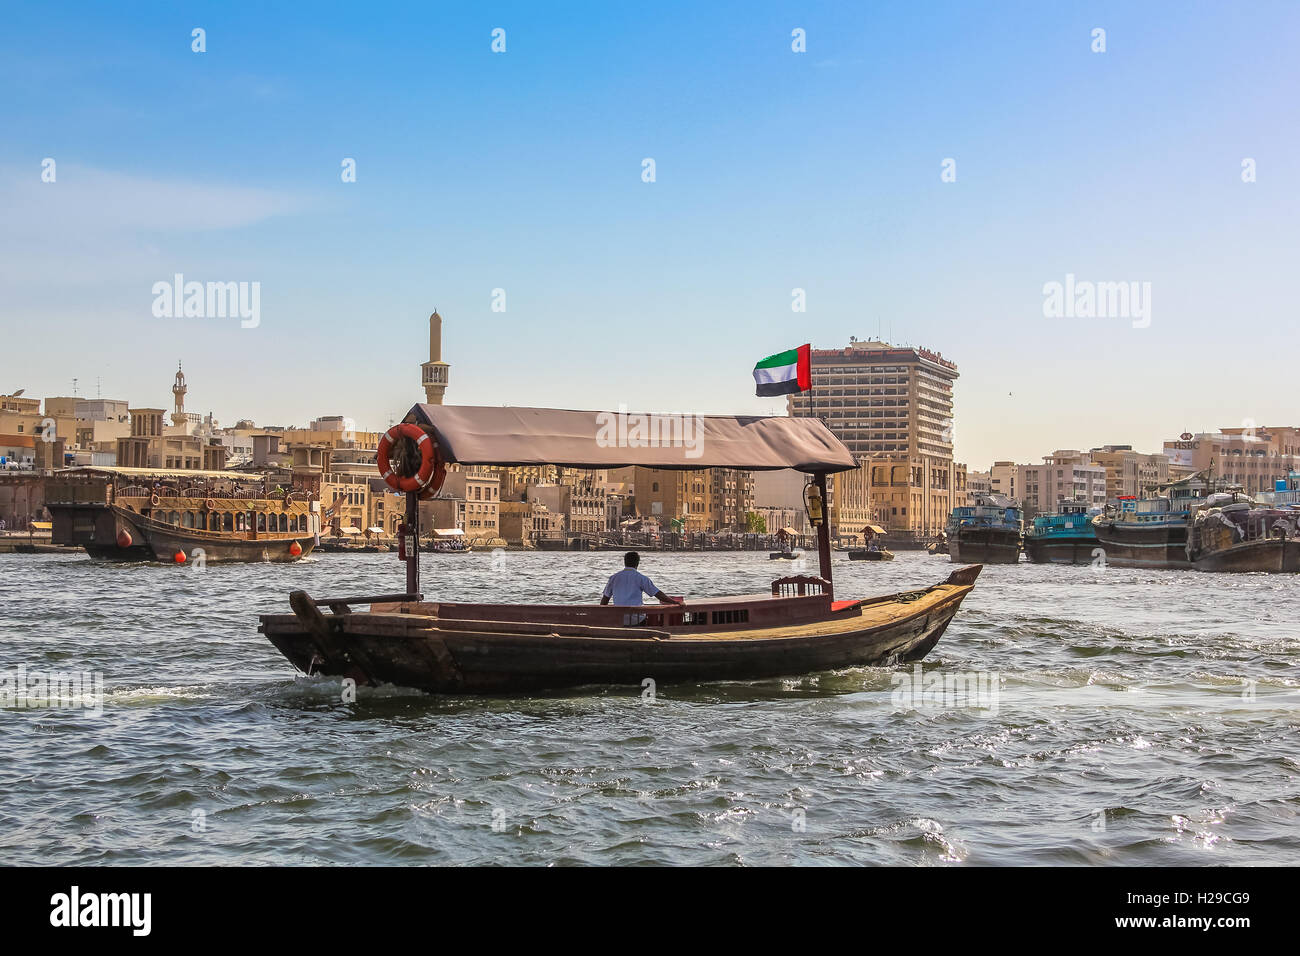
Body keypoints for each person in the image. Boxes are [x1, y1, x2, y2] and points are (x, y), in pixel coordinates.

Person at [600, 551, 682, 608]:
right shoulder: (641, 578)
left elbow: (605, 600)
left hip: (618, 618)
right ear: (637, 563)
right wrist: (676, 602)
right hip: (636, 618)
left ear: (624, 562)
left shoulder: (613, 578)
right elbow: (659, 595)